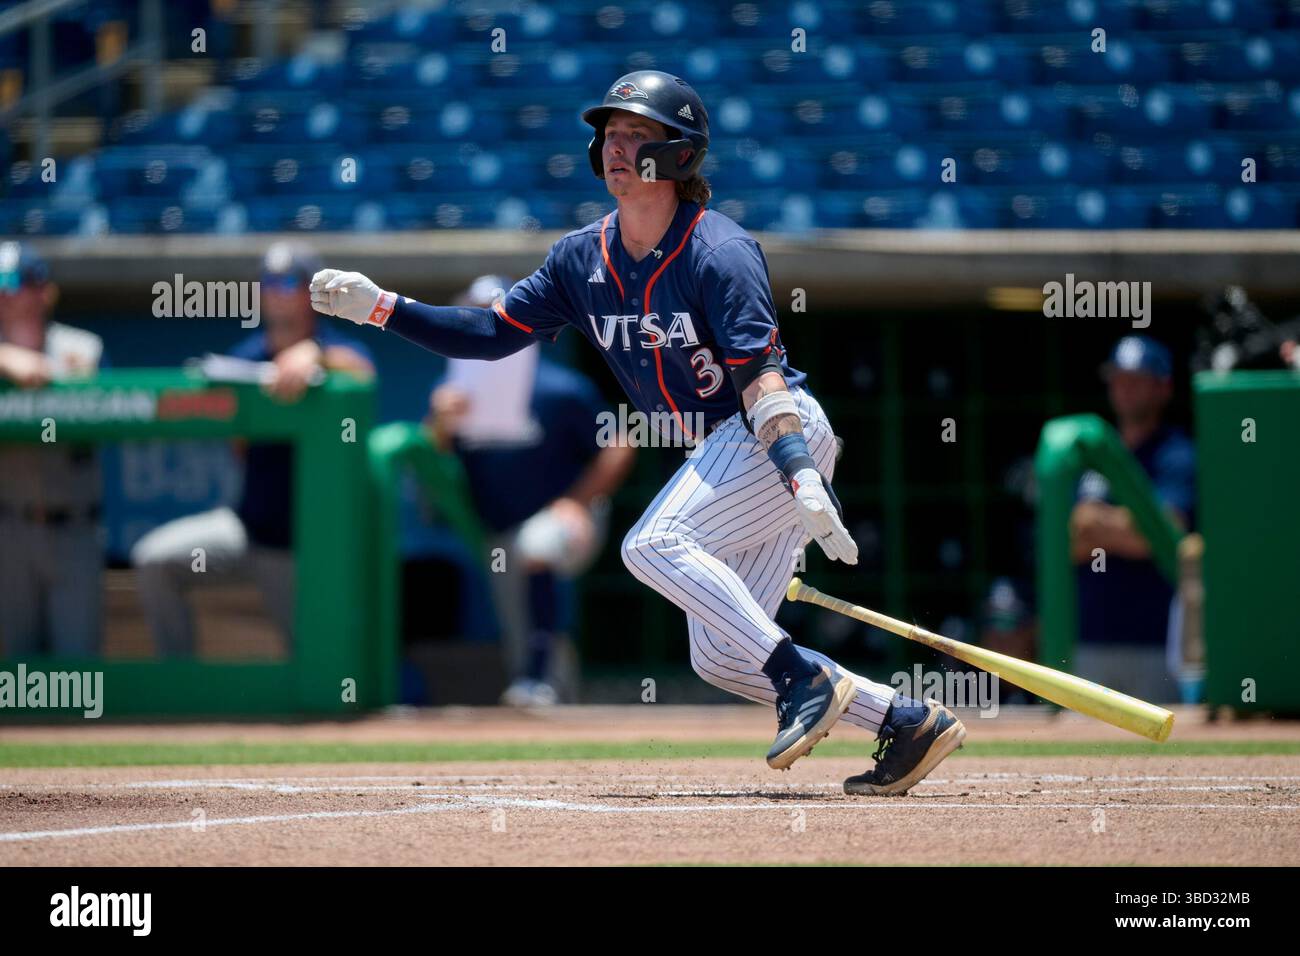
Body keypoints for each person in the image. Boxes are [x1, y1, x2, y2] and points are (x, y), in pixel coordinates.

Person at [310, 71, 965, 795]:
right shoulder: (579, 259)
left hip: (772, 434)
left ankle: (800, 677)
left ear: (679, 155)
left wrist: (799, 470)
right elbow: (494, 333)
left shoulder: (719, 250)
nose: (615, 147)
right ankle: (905, 721)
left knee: (652, 544)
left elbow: (760, 378)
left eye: (636, 135)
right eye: (609, 135)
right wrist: (384, 309)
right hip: (730, 454)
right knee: (720, 656)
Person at [131, 242, 375, 655]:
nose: (278, 292)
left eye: (290, 282)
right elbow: (237, 445)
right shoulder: (247, 357)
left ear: (312, 293)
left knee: (319, 663)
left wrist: (315, 354)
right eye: (270, 282)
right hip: (252, 531)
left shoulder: (337, 348)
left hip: (316, 545)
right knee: (155, 560)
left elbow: (364, 372)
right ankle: (180, 685)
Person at [426, 277, 637, 706]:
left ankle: (540, 681)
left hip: (566, 515)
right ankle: (548, 693)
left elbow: (620, 443)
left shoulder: (556, 386)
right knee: (517, 622)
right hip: (499, 524)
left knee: (535, 546)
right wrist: (439, 425)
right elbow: (434, 462)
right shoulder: (454, 391)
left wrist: (576, 501)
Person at [1070, 335, 1196, 702]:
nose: (1124, 389)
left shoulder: (1177, 453)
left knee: (1165, 752)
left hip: (1156, 642)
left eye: (1136, 380)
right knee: (1082, 752)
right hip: (1090, 639)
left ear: (1163, 387)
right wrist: (1129, 526)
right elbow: (1068, 538)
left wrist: (1096, 524)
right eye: (1118, 379)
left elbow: (1166, 534)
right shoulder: (1092, 448)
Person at [0, 241, 106, 657]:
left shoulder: (84, 349)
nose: (6, 294)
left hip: (73, 527)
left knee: (77, 681)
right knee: (16, 681)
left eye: (16, 282)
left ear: (45, 291)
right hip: (8, 528)